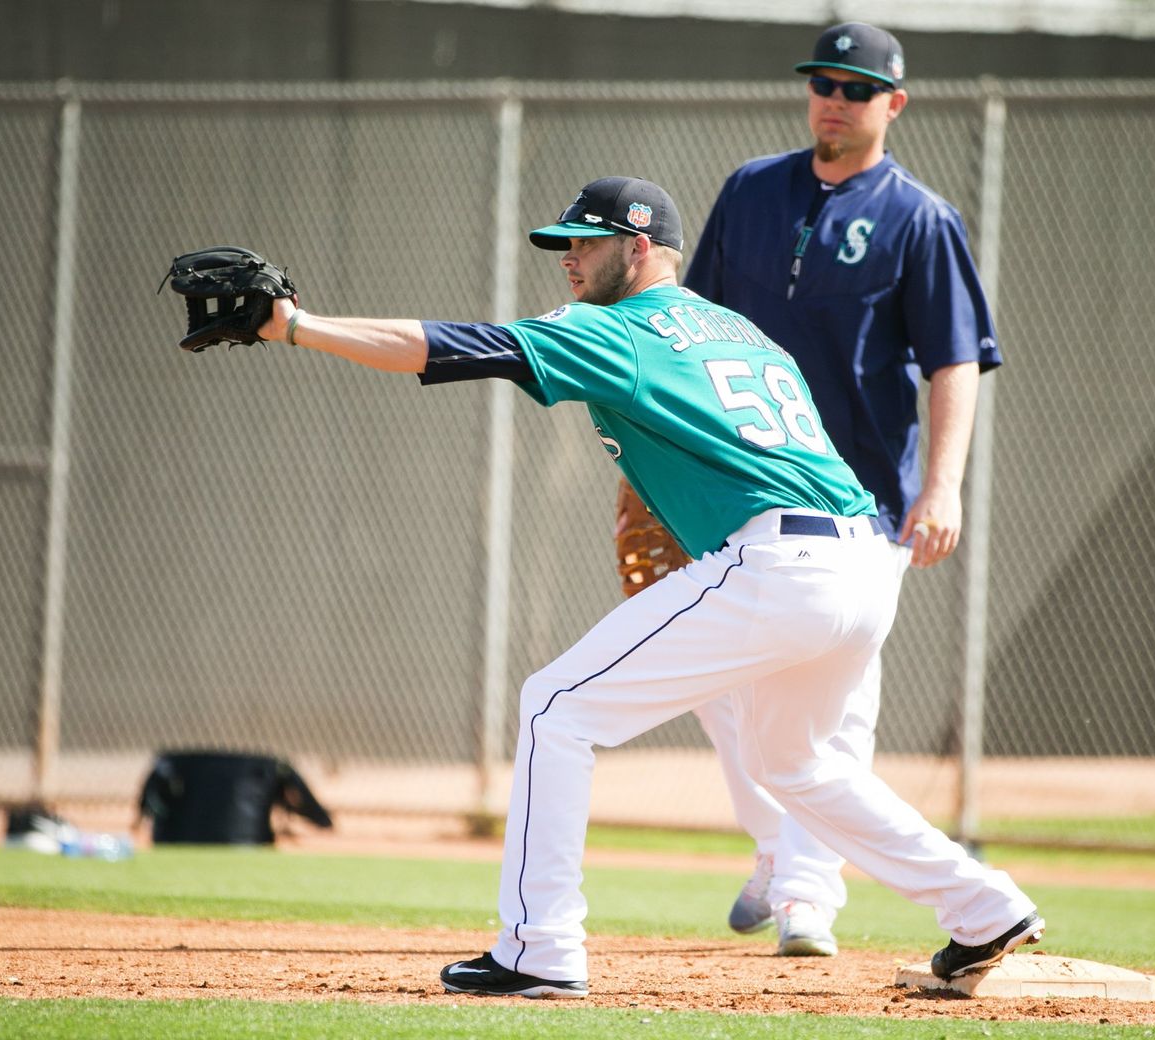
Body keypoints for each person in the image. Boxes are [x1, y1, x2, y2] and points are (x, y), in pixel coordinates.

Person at [256, 175, 1042, 998]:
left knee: (556, 708)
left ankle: (540, 948)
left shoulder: (616, 328)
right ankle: (985, 909)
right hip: (859, 562)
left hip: (778, 566)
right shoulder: (739, 330)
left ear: (639, 248)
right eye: (562, 243)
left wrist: (297, 326)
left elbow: (458, 347)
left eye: (585, 242)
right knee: (799, 764)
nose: (568, 258)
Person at [609, 20, 1007, 960]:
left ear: (893, 105)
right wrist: (643, 469)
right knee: (724, 692)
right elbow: (678, 326)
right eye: (824, 80)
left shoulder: (919, 218)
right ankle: (776, 849)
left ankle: (806, 893)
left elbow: (955, 362)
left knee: (834, 710)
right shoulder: (751, 190)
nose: (835, 96)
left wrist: (942, 487)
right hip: (726, 489)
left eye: (857, 86)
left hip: (857, 502)